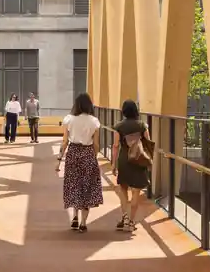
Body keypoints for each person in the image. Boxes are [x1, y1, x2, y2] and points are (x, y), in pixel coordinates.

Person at [57, 93, 104, 232]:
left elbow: (65, 141)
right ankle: (83, 222)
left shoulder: (69, 119)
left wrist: (59, 159)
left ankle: (75, 216)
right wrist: (93, 157)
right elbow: (96, 144)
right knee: (87, 187)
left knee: (74, 184)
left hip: (73, 153)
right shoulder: (94, 121)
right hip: (88, 153)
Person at [110, 100, 152, 233]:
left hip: (124, 160)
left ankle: (125, 217)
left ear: (123, 111)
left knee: (123, 189)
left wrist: (113, 164)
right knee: (135, 192)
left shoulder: (119, 126)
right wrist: (149, 161)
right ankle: (131, 222)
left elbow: (115, 146)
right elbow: (148, 144)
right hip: (138, 160)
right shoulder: (142, 125)